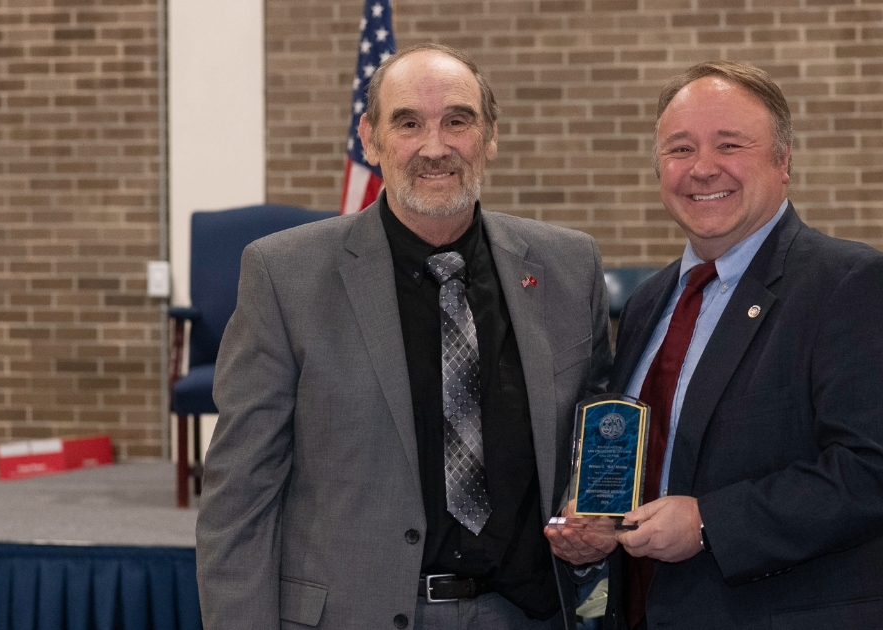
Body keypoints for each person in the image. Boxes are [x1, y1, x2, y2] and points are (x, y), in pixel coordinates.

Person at [196, 43, 611, 630]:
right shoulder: (284, 275)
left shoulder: (569, 267)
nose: (435, 146)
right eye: (408, 123)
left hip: (527, 612)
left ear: (489, 137)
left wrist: (598, 512)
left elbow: (598, 429)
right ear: (370, 139)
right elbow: (241, 491)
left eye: (458, 122)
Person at [548, 60, 883, 629]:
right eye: (680, 149)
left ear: (783, 162)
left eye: (729, 144)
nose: (703, 168)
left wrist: (710, 522)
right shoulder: (647, 306)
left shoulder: (850, 284)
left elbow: (877, 473)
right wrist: (592, 520)